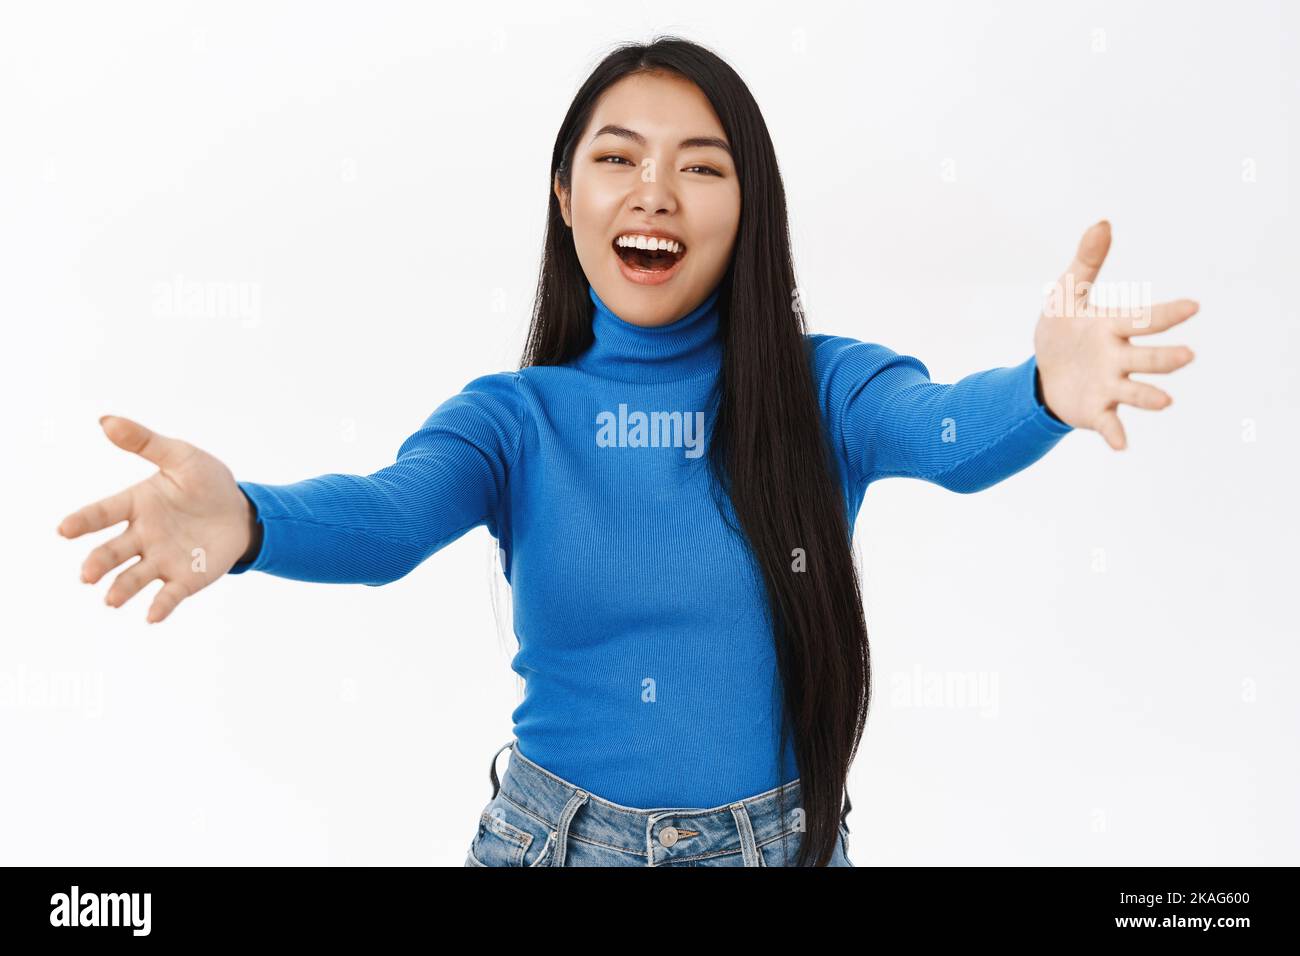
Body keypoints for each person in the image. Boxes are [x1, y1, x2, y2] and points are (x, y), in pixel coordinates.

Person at [56, 37, 1198, 866]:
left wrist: (1046, 388)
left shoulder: (822, 387)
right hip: (552, 844)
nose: (654, 190)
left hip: (780, 846)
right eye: (617, 159)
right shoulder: (514, 418)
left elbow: (946, 430)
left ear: (748, 208)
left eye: (701, 166)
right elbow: (390, 516)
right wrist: (253, 519)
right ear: (566, 196)